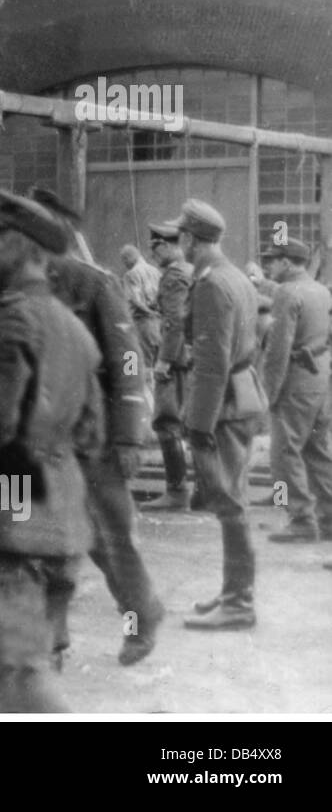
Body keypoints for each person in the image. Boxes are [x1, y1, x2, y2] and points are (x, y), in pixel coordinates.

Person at [0, 192, 104, 713]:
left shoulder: (13, 316)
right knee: (29, 667)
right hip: (63, 524)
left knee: (20, 670)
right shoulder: (77, 331)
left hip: (13, 527)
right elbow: (91, 433)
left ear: (20, 248)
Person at [27, 186, 162, 666]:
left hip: (98, 440)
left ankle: (141, 617)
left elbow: (129, 364)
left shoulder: (95, 285)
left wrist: (129, 436)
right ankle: (52, 639)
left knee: (109, 541)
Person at [175, 199, 262, 631]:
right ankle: (233, 592)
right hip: (241, 397)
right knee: (235, 500)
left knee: (229, 504)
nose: (180, 244)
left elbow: (211, 365)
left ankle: (239, 602)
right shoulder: (236, 278)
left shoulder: (211, 284)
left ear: (191, 239)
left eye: (181, 237)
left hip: (223, 406)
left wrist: (198, 426)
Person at [258, 238, 332, 543]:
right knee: (316, 450)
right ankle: (328, 516)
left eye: (273, 260)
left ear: (287, 263)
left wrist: (267, 394)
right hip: (320, 379)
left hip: (294, 382)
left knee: (284, 452)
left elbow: (278, 351)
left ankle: (300, 518)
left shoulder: (288, 293)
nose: (269, 266)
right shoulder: (321, 290)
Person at [144, 221, 195, 510]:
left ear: (167, 245)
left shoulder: (174, 275)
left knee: (166, 422)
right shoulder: (189, 270)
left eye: (156, 247)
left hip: (173, 362)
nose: (153, 254)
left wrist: (163, 360)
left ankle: (176, 492)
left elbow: (174, 322)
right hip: (188, 359)